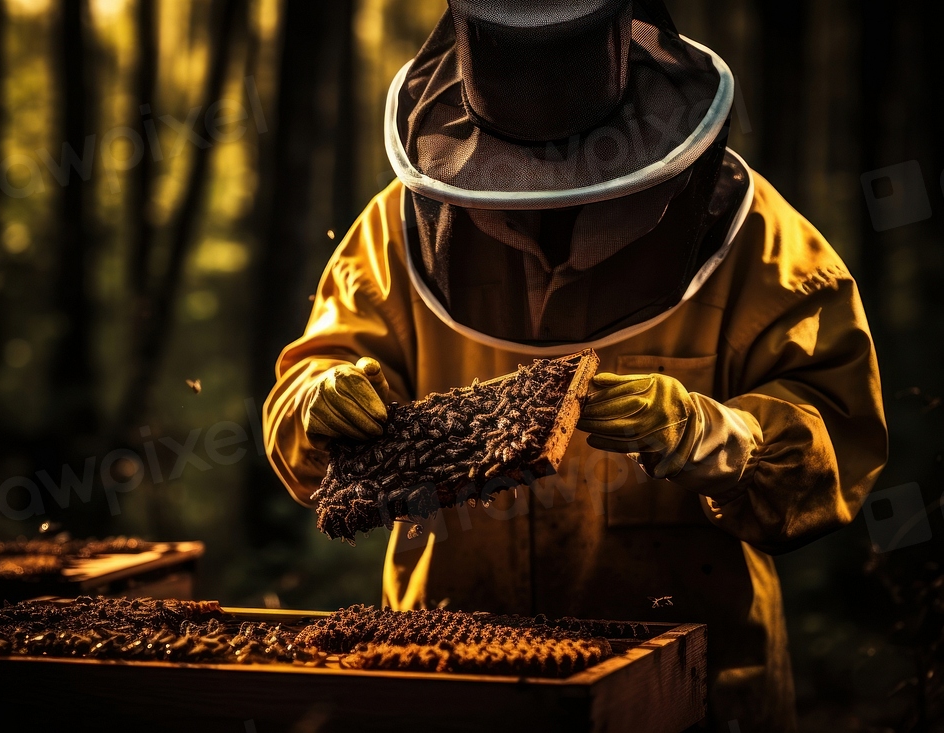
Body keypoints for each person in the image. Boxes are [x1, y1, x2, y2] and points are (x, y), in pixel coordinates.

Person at [263, 1, 887, 729]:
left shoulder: (758, 239)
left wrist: (722, 436)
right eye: (512, 170)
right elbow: (314, 389)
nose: (540, 199)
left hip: (694, 690)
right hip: (446, 675)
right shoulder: (392, 234)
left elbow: (837, 437)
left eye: (567, 172)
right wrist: (317, 401)